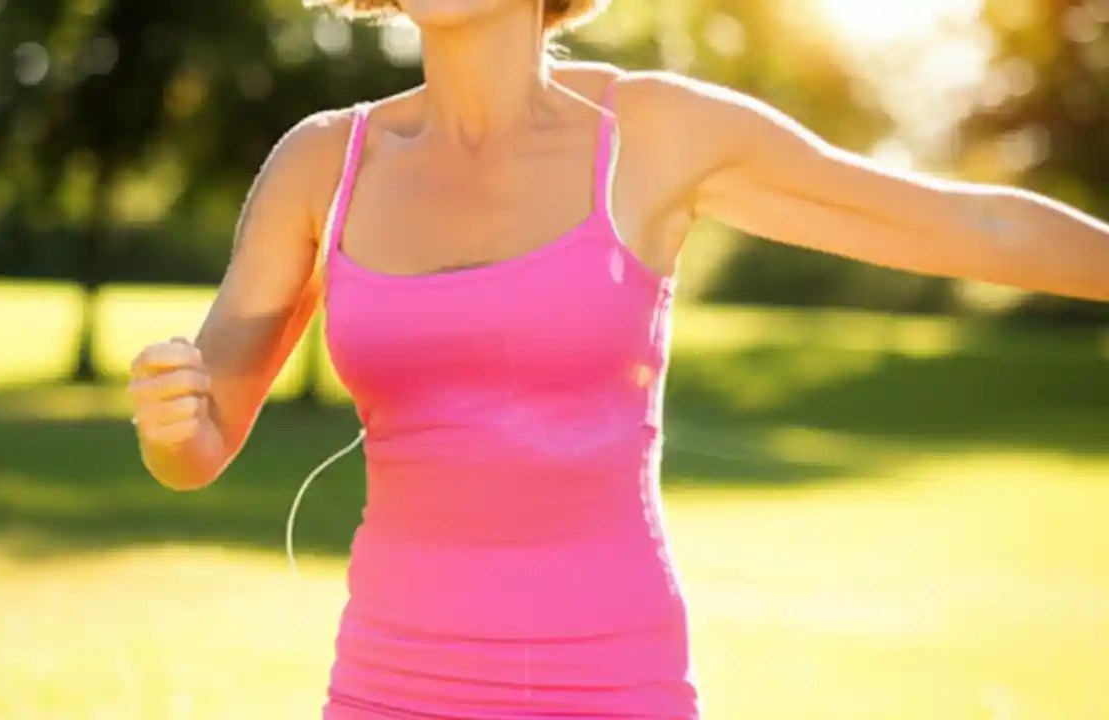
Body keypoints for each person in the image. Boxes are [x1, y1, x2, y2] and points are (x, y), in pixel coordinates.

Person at [126, 0, 1109, 716]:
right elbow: (199, 445)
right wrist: (175, 419)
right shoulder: (322, 162)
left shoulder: (653, 135)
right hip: (390, 684)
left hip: (605, 681)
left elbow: (976, 224)